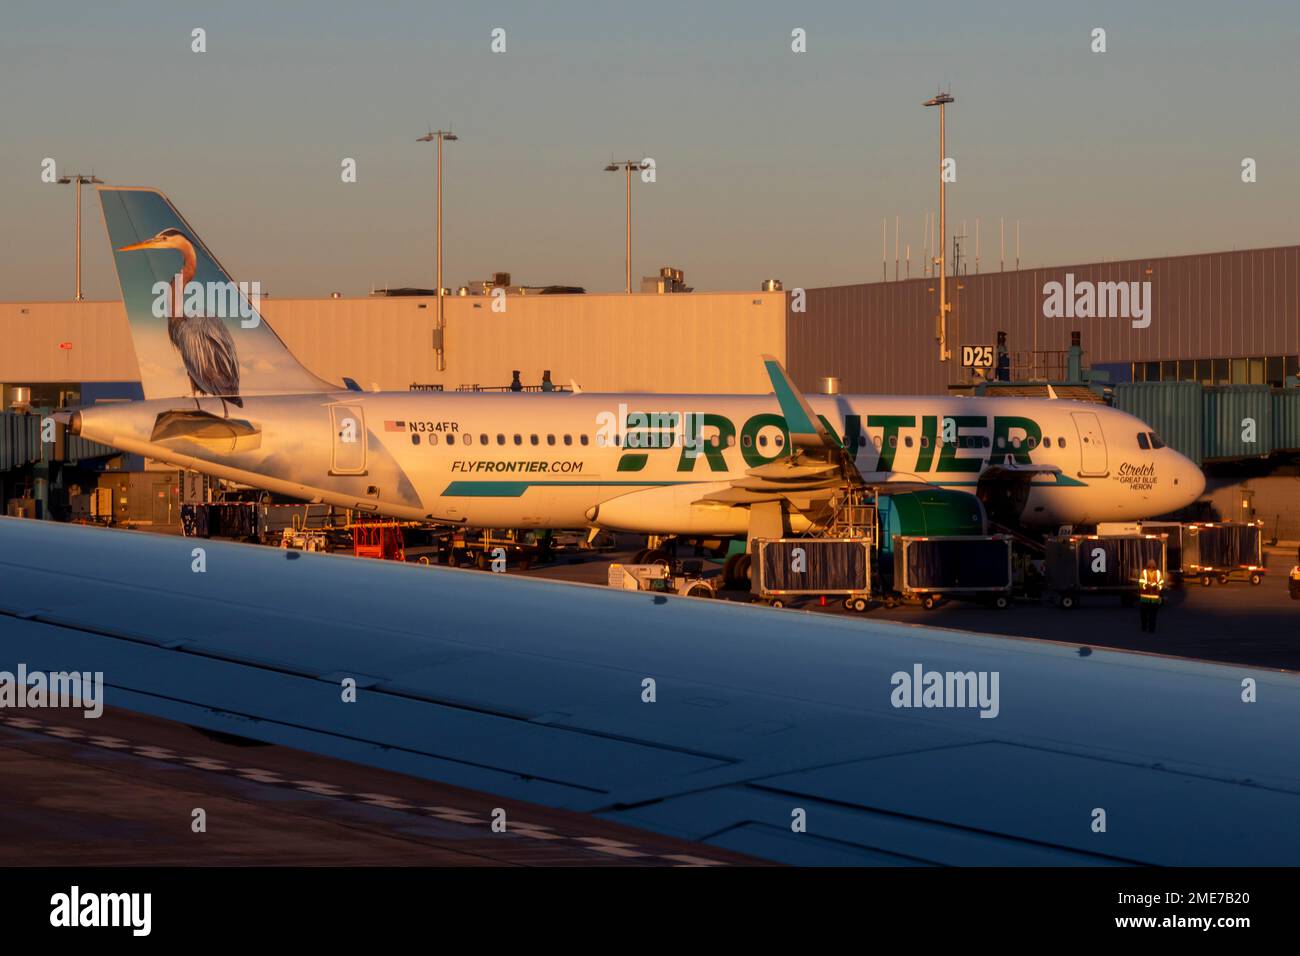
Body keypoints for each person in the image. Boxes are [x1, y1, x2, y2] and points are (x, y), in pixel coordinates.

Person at [1138, 558, 1164, 633]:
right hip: (1145, 599)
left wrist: (1157, 587)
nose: (1152, 566)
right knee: (1144, 616)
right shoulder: (1144, 572)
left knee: (1153, 616)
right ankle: (1144, 627)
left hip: (1154, 599)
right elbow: (1141, 583)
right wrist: (1146, 586)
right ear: (1148, 565)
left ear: (1155, 565)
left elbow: (1161, 583)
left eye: (1153, 565)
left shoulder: (1158, 573)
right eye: (1150, 564)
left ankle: (1151, 629)